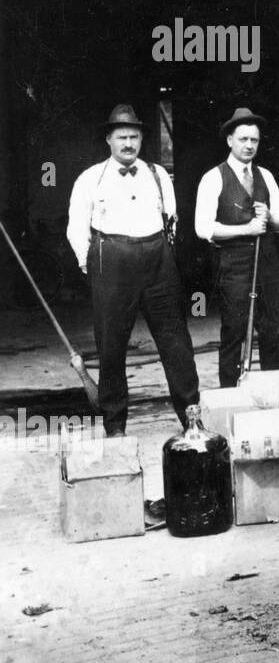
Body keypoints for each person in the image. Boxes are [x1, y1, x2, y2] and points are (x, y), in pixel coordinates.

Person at [65, 104, 198, 436]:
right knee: (111, 348)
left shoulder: (158, 175)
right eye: (121, 136)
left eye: (134, 137)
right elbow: (76, 228)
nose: (128, 143)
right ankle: (114, 428)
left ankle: (192, 420)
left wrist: (162, 253)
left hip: (157, 260)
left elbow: (172, 219)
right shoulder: (90, 178)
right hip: (112, 261)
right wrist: (91, 264)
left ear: (141, 139)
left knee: (177, 343)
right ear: (108, 139)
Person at [194, 108, 279, 387]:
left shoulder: (266, 176)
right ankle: (230, 396)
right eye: (243, 139)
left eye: (254, 140)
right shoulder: (213, 177)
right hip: (233, 266)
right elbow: (203, 228)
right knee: (234, 332)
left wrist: (269, 216)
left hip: (267, 264)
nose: (249, 146)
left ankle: (273, 396)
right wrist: (245, 230)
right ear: (229, 141)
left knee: (272, 331)